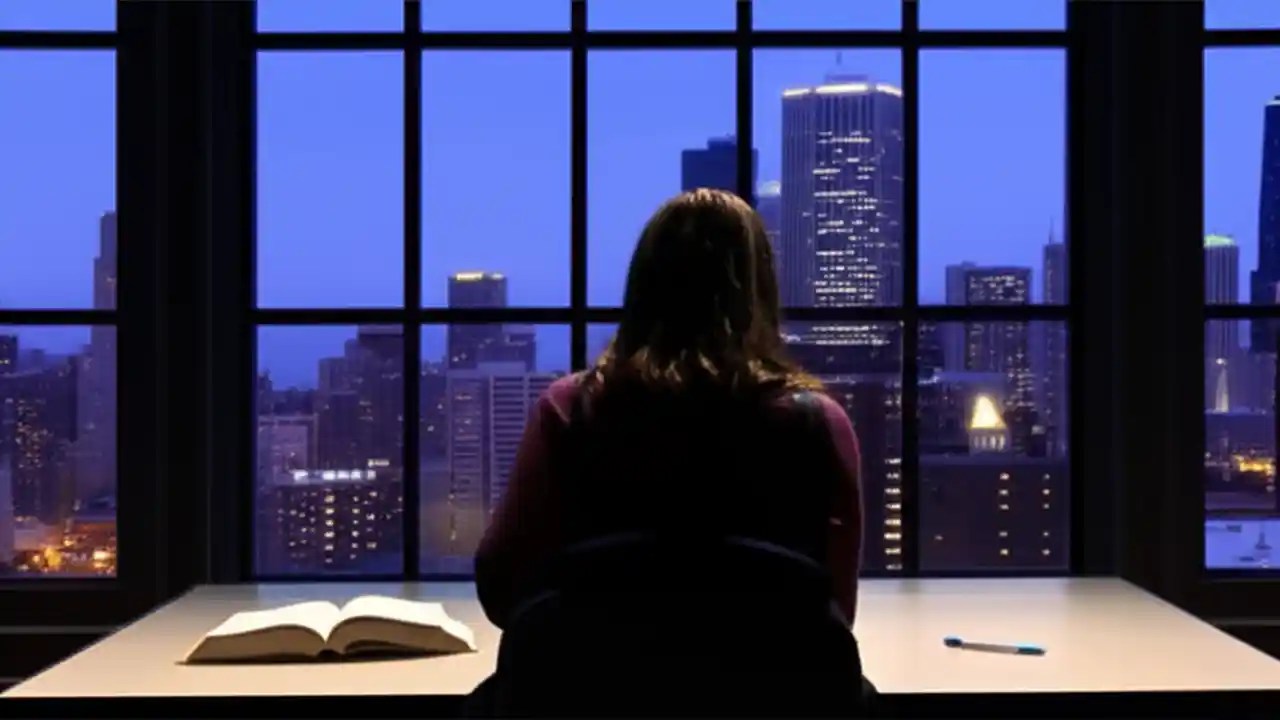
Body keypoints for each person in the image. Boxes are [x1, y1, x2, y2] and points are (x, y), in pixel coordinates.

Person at [468, 188, 867, 714]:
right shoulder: (815, 426)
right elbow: (833, 611)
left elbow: (502, 588)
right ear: (760, 293)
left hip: (584, 702)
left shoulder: (573, 412)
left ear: (641, 288)